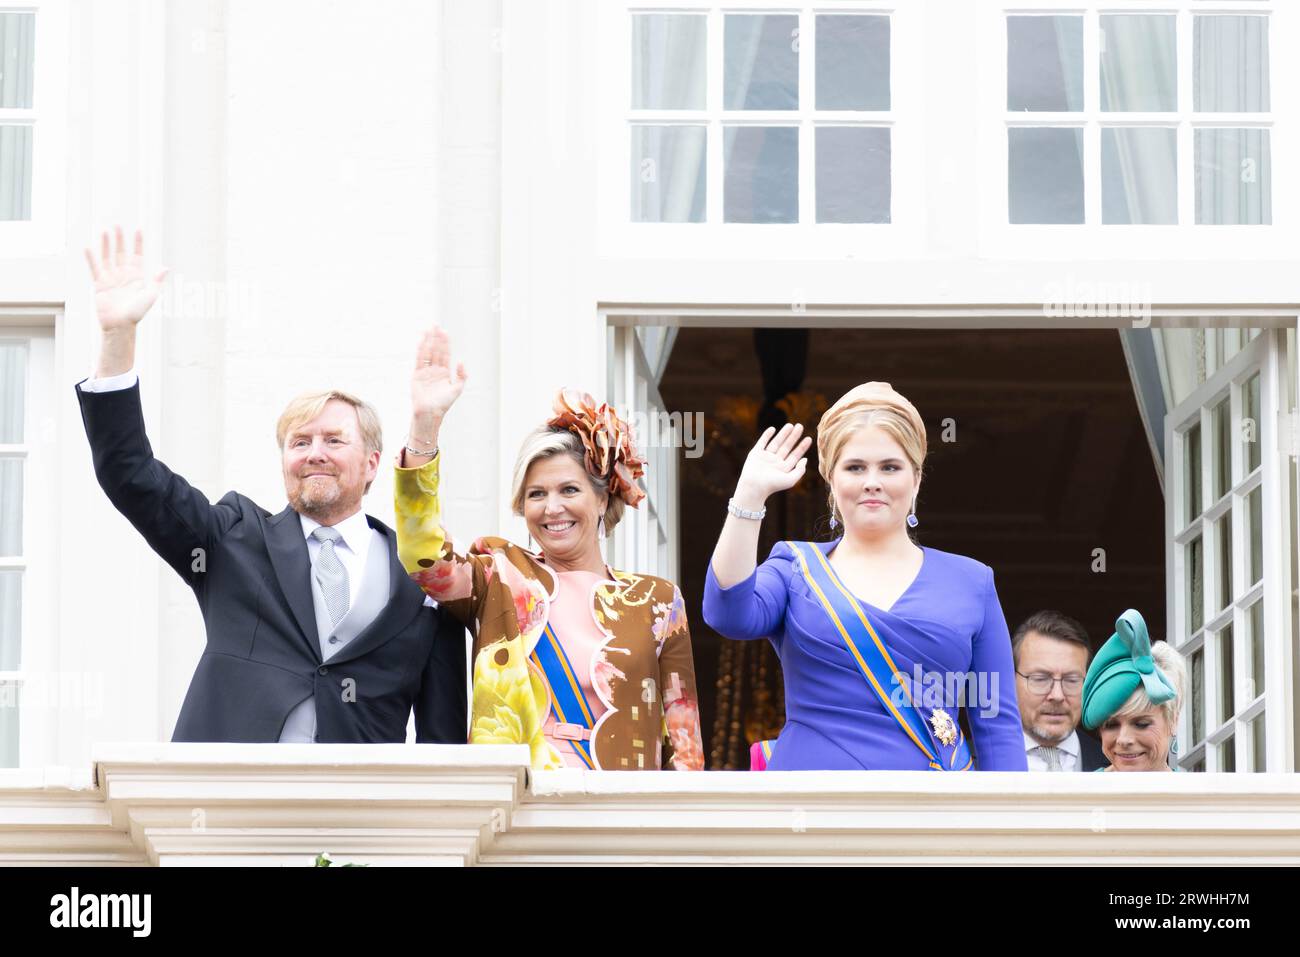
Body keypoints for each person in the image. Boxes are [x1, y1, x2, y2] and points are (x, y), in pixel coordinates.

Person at [77, 228, 466, 743]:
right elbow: (129, 473)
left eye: (333, 439)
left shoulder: (422, 581)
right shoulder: (232, 537)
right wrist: (117, 339)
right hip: (228, 807)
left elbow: (444, 743)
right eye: (299, 442)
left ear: (372, 463)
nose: (314, 454)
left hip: (363, 816)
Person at [393, 327, 705, 771]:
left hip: (622, 813)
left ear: (602, 498)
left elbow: (684, 739)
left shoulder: (658, 601)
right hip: (517, 807)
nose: (552, 507)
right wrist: (425, 426)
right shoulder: (499, 575)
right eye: (536, 494)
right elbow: (421, 553)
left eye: (569, 489)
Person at [704, 382, 1026, 771]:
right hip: (812, 809)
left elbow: (996, 725)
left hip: (931, 814)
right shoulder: (794, 566)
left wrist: (1007, 828)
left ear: (917, 479)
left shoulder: (972, 580)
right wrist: (749, 497)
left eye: (890, 467)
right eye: (855, 467)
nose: (872, 480)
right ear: (832, 481)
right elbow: (728, 614)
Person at [1082, 609, 1187, 772]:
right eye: (1111, 725)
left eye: (1141, 724)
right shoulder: (1080, 794)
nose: (1124, 739)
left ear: (1173, 721)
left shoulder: (1196, 794)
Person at [1013, 611, 1106, 771]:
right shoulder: (968, 766)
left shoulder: (1115, 766)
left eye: (1071, 680)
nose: (1057, 695)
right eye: (1040, 679)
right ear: (1011, 681)